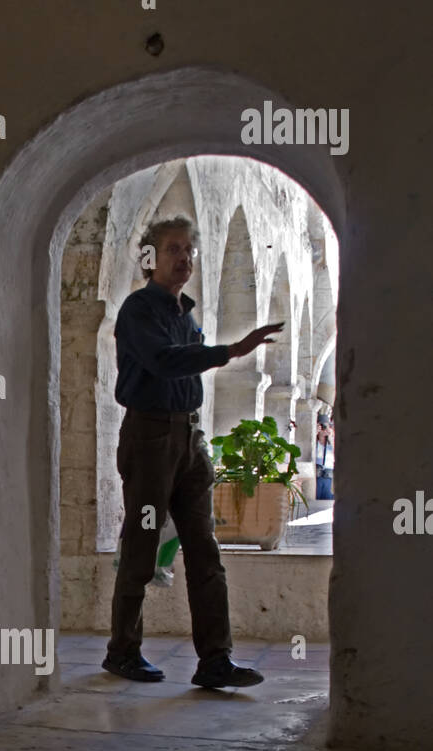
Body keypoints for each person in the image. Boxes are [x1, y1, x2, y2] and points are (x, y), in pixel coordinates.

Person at [103, 215, 284, 689]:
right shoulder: (140, 310)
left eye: (188, 250)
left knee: (205, 551)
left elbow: (186, 364)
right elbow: (163, 362)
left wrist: (217, 352)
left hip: (188, 441)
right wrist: (230, 351)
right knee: (142, 549)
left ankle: (215, 660)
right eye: (172, 250)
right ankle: (122, 652)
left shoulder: (186, 315)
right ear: (150, 258)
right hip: (150, 440)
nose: (183, 258)